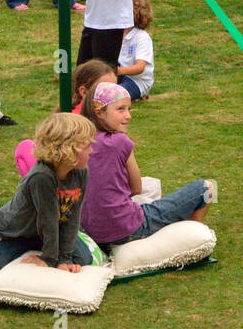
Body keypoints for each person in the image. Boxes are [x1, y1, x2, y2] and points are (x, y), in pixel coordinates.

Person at [0, 112, 95, 290]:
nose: (91, 150)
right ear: (67, 149)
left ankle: (20, 252)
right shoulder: (42, 177)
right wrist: (51, 260)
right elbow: (48, 220)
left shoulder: (81, 171)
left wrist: (65, 258)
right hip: (14, 235)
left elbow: (73, 216)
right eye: (87, 145)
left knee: (83, 259)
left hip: (44, 233)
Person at [79, 80, 215, 248]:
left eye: (128, 109)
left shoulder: (79, 141)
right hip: (127, 229)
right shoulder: (120, 142)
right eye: (120, 109)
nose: (128, 115)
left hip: (89, 230)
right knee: (208, 188)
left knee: (152, 187)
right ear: (99, 112)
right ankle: (194, 241)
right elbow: (136, 188)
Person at [116, 0, 155, 100]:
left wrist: (117, 71)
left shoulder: (141, 37)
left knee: (112, 96)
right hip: (118, 75)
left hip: (137, 81)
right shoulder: (115, 33)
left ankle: (138, 95)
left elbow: (139, 67)